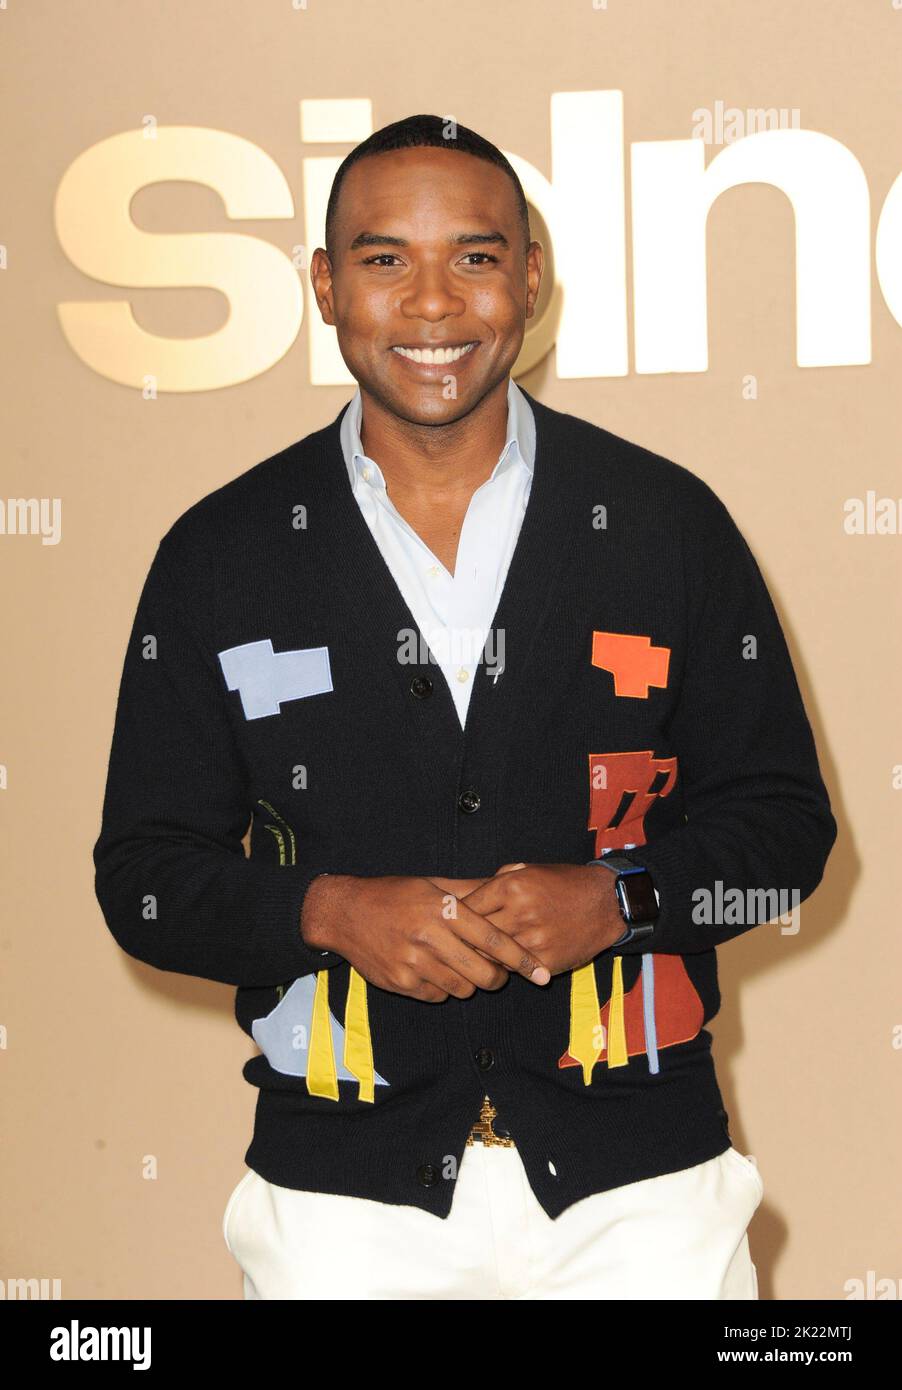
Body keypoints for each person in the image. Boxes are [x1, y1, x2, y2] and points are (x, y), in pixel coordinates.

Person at [93, 113, 837, 1301]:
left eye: (476, 257)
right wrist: (327, 911)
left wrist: (620, 898)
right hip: (335, 1213)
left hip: (644, 1201)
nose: (432, 304)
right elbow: (141, 878)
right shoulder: (219, 557)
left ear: (531, 277)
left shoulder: (663, 526)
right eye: (384, 260)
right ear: (325, 286)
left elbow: (786, 835)